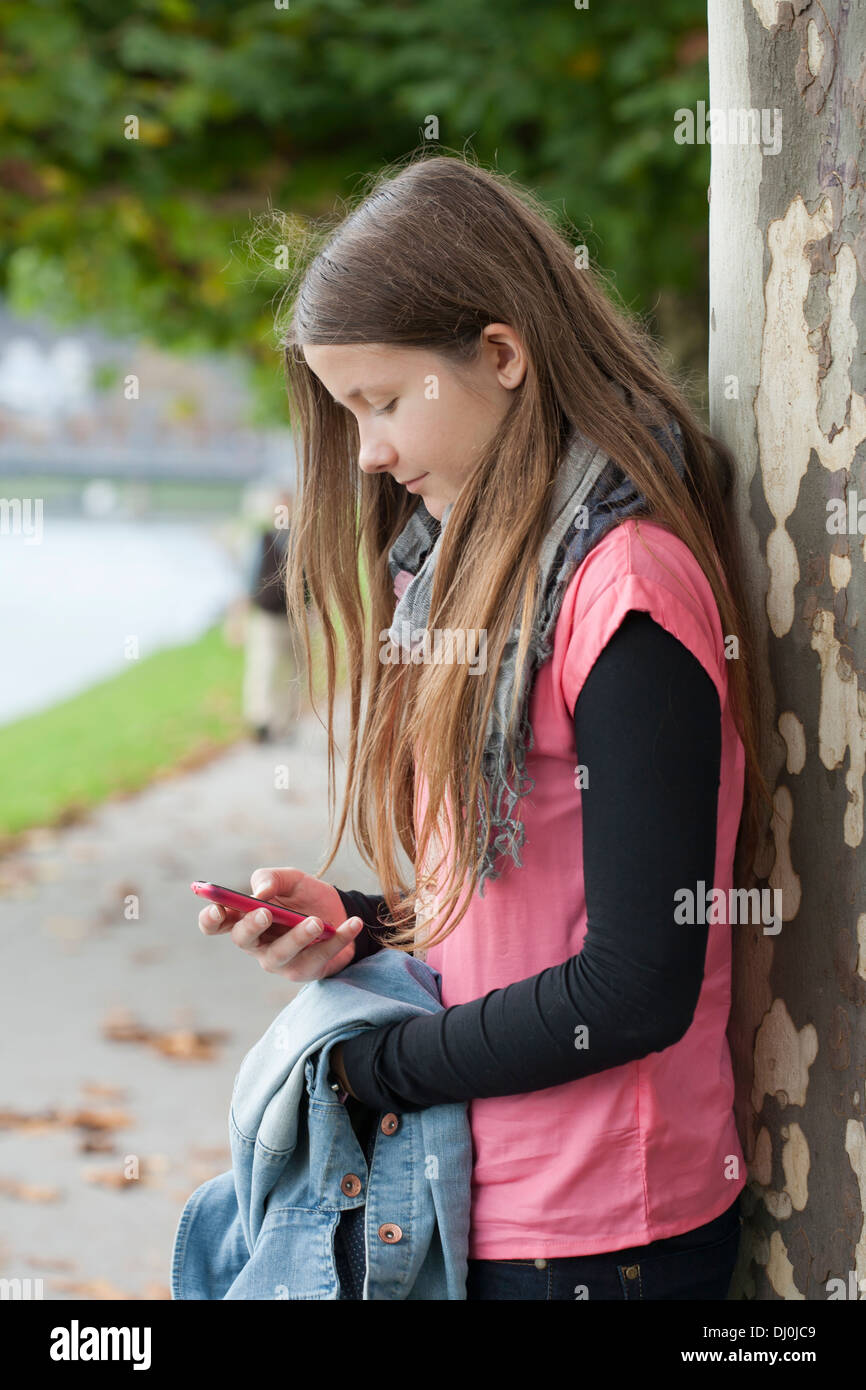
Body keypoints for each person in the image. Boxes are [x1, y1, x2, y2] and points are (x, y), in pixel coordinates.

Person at [198, 153, 772, 1300]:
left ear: (501, 357)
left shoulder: (625, 592)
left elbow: (633, 985)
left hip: (601, 1233)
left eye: (379, 401)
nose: (364, 452)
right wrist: (364, 930)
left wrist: (371, 1071)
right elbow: (526, 911)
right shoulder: (478, 579)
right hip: (476, 1198)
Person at [241, 490, 302, 742]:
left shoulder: (300, 538)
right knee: (264, 667)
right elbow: (248, 575)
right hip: (268, 616)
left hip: (296, 618)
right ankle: (261, 720)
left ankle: (286, 722)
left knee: (295, 671)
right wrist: (241, 612)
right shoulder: (263, 539)